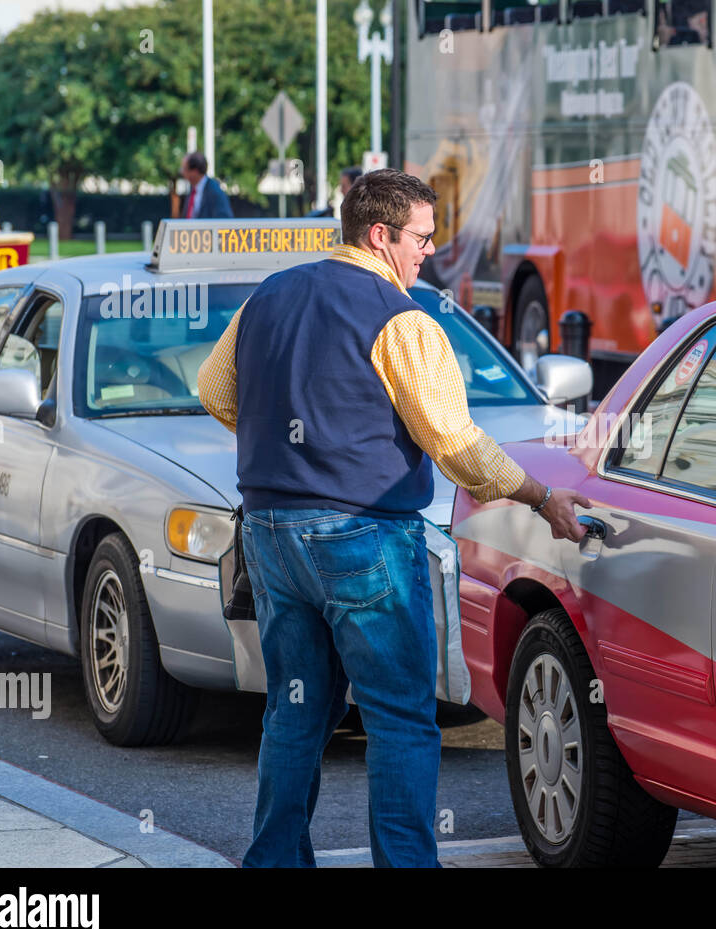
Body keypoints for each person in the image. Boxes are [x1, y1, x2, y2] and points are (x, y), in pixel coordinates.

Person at [196, 168, 590, 868]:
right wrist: (541, 497)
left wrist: (291, 444)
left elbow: (215, 389)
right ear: (380, 235)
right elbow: (457, 446)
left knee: (294, 711)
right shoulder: (403, 318)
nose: (426, 254)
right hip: (364, 535)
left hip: (271, 532)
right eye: (421, 238)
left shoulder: (271, 295)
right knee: (401, 720)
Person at [180, 152, 233, 219]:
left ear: (195, 171)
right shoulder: (193, 189)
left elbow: (224, 219)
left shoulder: (214, 191)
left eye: (185, 169)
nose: (182, 172)